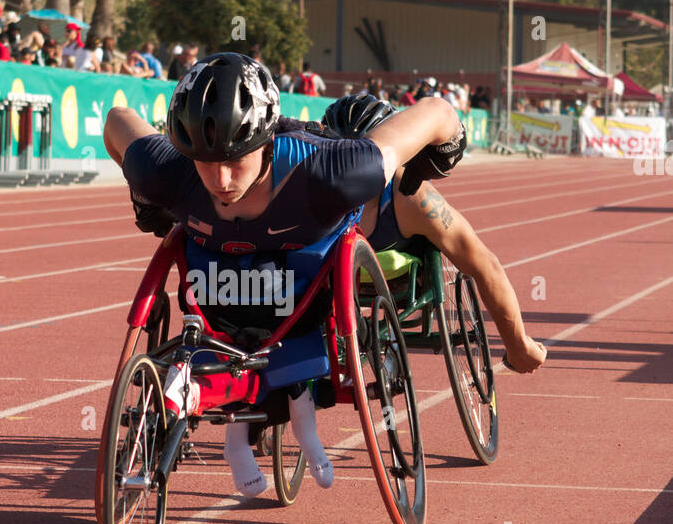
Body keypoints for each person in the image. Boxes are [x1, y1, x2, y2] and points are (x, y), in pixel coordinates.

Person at [104, 53, 465, 496]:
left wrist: (444, 154)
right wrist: (144, 199)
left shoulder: (334, 172)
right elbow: (118, 119)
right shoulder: (164, 170)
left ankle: (291, 413)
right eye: (204, 162)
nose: (220, 180)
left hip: (303, 297)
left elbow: (438, 112)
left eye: (235, 161)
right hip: (222, 303)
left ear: (266, 142)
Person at [322, 92, 546, 376]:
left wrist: (519, 345)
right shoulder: (411, 198)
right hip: (343, 277)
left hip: (375, 276)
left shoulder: (413, 198)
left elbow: (485, 266)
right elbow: (485, 266)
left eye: (360, 158)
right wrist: (519, 347)